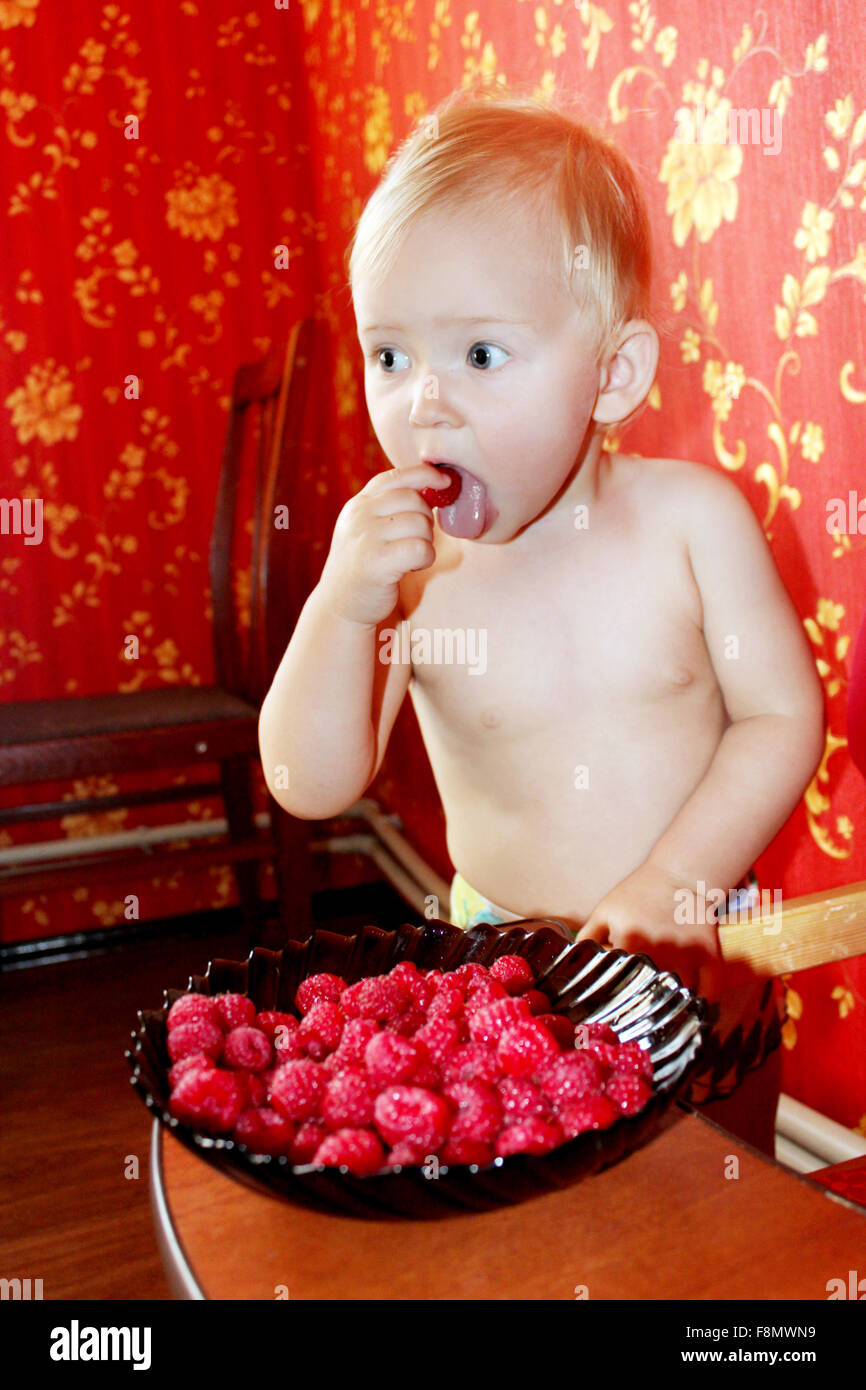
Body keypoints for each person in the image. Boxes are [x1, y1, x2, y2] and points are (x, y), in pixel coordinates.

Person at [258, 85, 825, 1159]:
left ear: (611, 375)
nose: (424, 403)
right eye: (389, 355)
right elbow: (309, 780)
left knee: (713, 1212)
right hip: (508, 977)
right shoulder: (411, 576)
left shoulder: (689, 522)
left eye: (477, 355)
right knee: (545, 1233)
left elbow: (777, 717)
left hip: (695, 956)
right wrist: (339, 606)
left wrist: (673, 880)